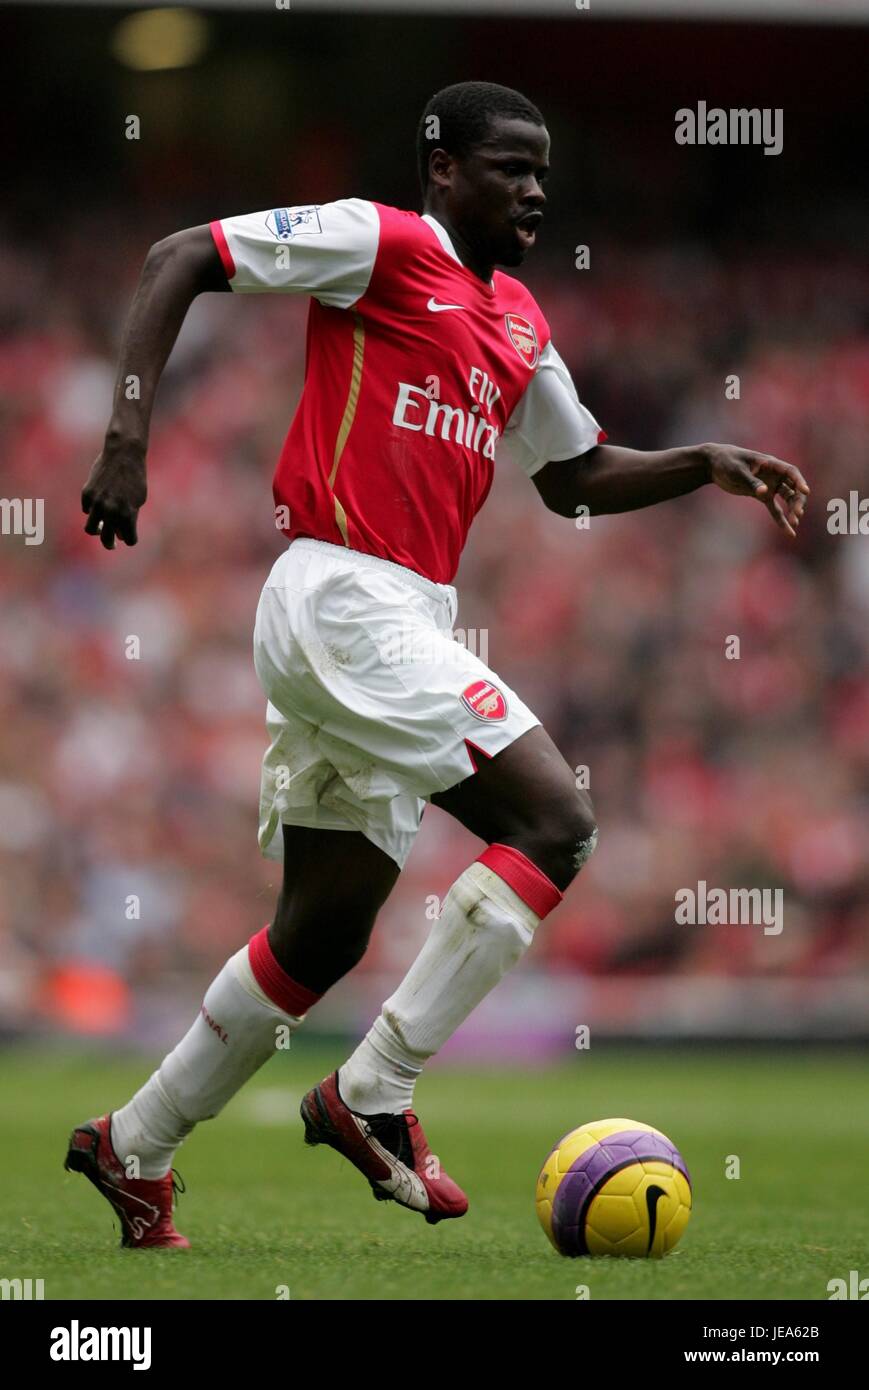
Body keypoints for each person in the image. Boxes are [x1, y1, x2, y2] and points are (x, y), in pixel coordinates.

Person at [69, 81, 808, 1247]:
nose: (532, 190)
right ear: (441, 167)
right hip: (341, 590)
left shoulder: (517, 319)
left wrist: (703, 460)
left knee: (321, 932)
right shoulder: (383, 240)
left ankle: (131, 1146)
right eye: (508, 168)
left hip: (391, 610)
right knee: (557, 821)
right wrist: (124, 435)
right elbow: (178, 257)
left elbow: (572, 475)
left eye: (542, 173)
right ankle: (376, 1089)